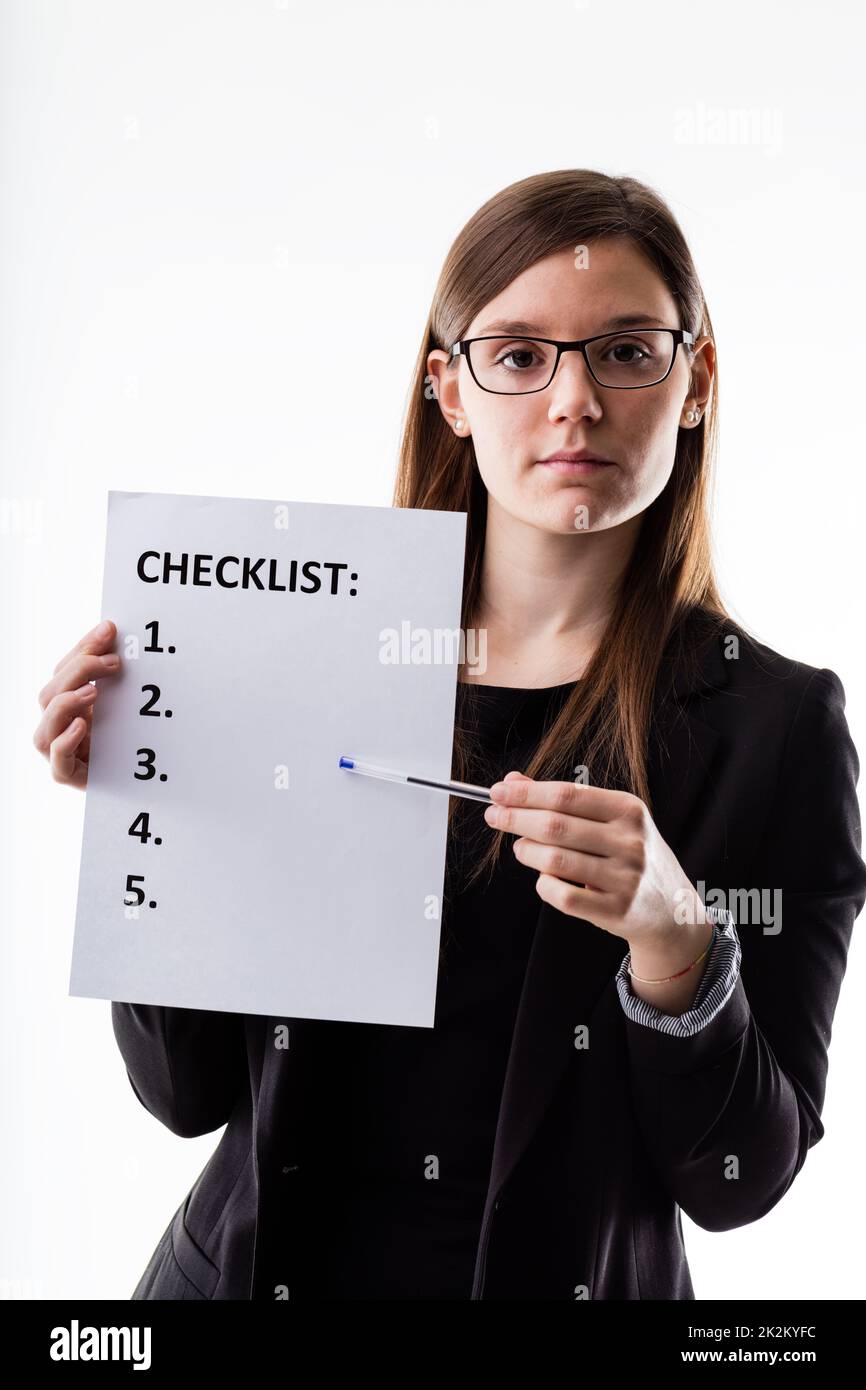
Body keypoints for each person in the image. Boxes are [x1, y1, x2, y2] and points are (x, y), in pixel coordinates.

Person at [33, 169, 866, 1300]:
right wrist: (159, 815)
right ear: (449, 390)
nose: (573, 401)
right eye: (518, 357)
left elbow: (740, 1180)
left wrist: (676, 944)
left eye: (626, 351)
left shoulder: (776, 726)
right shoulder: (296, 652)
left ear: (695, 381)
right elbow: (183, 1095)